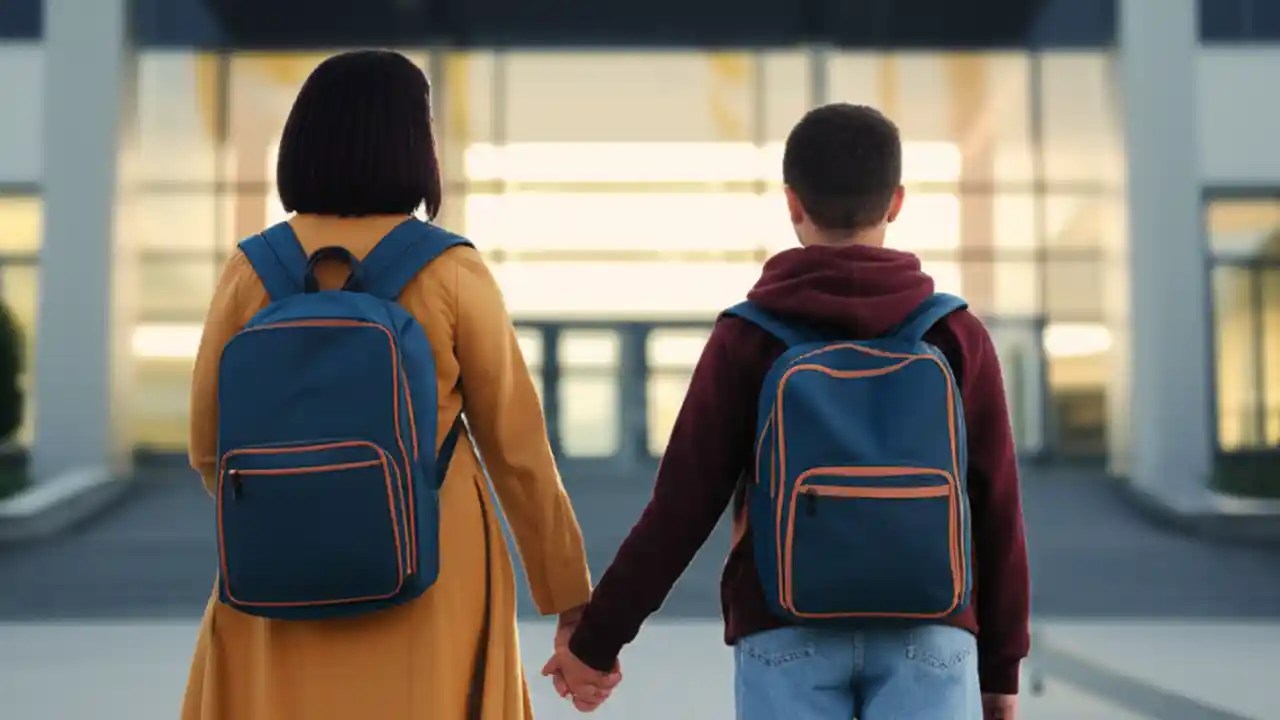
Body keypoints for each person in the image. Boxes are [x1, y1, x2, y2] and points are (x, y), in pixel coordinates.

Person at [542, 103, 1030, 719]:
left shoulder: (749, 337)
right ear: (896, 202)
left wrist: (595, 643)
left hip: (784, 627)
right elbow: (997, 509)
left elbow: (681, 509)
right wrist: (1001, 671)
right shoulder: (955, 336)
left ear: (792, 202)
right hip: (929, 631)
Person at [181, 50, 615, 719]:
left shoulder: (251, 269)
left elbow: (208, 444)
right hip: (431, 557)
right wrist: (570, 600)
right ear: (414, 146)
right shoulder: (450, 270)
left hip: (278, 567)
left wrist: (297, 509)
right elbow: (518, 453)